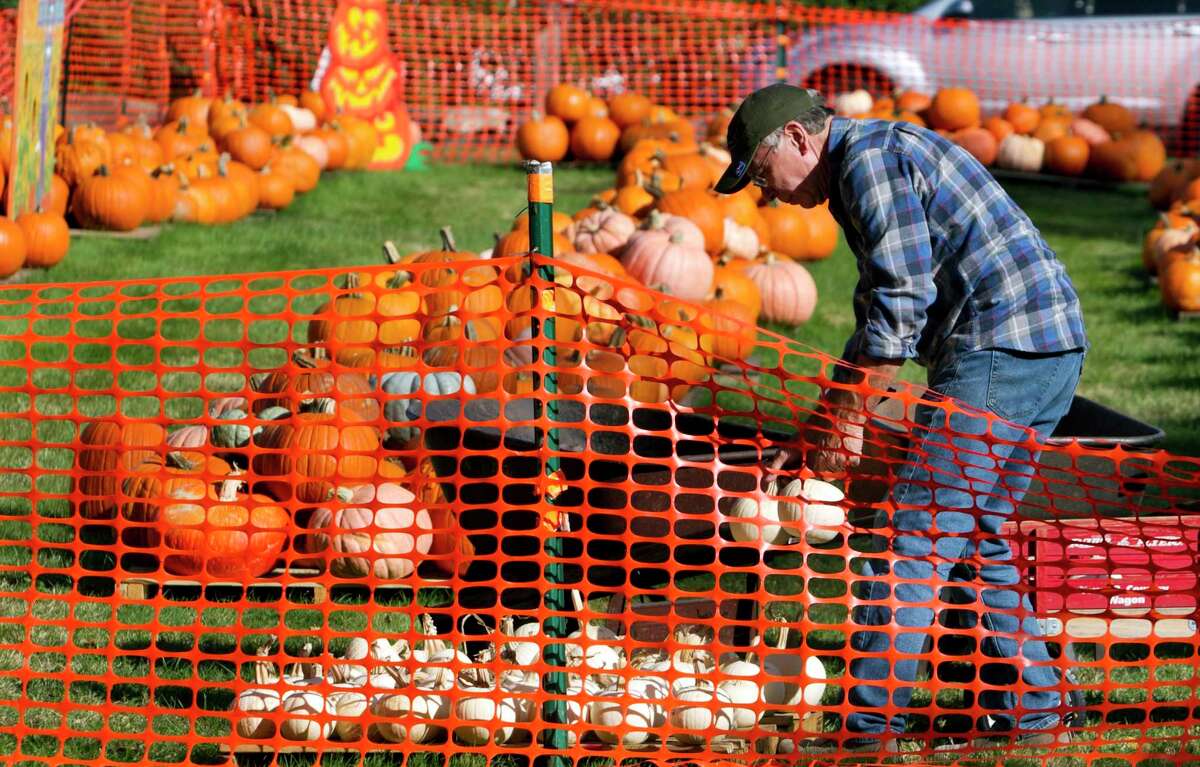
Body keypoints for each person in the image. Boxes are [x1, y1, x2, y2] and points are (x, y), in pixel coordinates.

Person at [714, 84, 1090, 744]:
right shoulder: (869, 161)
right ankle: (1038, 708)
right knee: (976, 538)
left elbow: (898, 310)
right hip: (1049, 344)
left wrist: (848, 420)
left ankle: (865, 729)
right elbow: (874, 320)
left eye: (765, 175)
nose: (767, 194)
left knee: (911, 534)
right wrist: (823, 421)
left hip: (1002, 347)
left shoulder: (867, 164)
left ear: (801, 141)